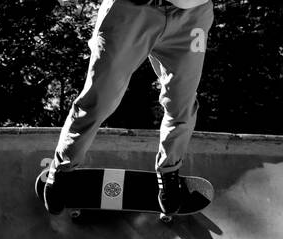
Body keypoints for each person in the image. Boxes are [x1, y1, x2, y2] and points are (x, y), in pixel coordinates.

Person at [37, 0, 214, 215]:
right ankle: (62, 169)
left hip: (191, 16)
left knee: (182, 103)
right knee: (100, 98)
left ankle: (169, 172)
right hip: (131, 9)